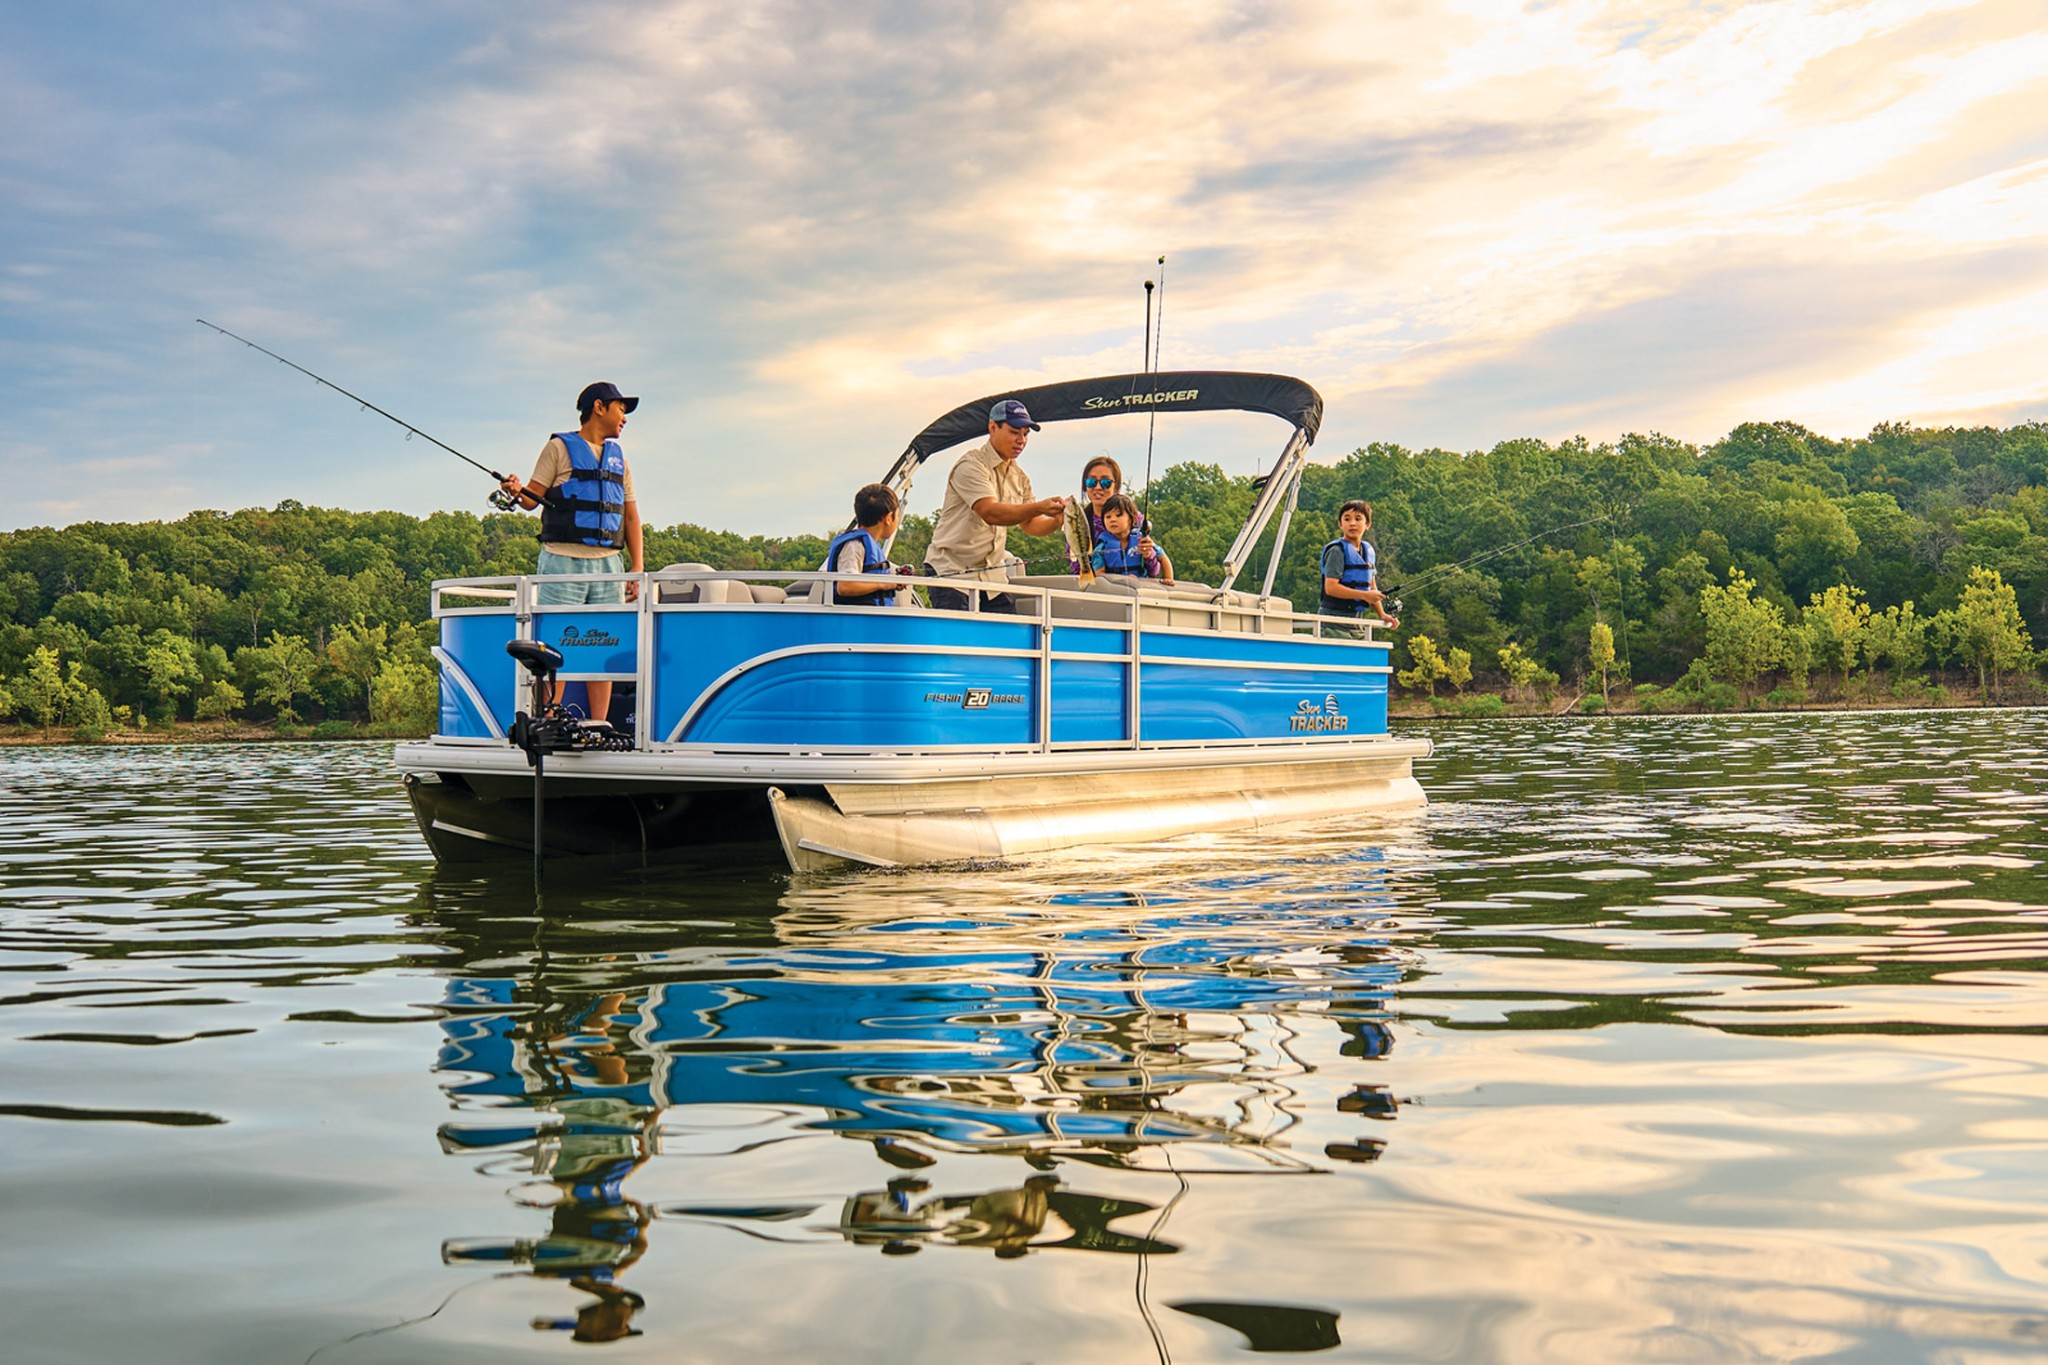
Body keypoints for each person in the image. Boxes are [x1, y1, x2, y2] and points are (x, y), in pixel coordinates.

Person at [499, 382, 646, 723]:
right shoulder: (558, 448)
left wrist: (636, 567)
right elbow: (531, 499)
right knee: (556, 644)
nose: (624, 417)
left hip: (609, 566)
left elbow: (631, 517)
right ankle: (549, 719)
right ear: (599, 407)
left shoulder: (619, 460)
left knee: (604, 648)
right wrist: (516, 491)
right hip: (562, 562)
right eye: (621, 409)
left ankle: (599, 725)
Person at [921, 399, 1067, 613]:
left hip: (992, 576)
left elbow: (1031, 524)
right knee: (959, 635)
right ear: (992, 427)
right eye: (1014, 432)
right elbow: (990, 512)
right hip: (952, 573)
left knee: (1010, 632)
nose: (1021, 440)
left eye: (1025, 434)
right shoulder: (971, 465)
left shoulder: (1020, 476)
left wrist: (1058, 519)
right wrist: (1040, 507)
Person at [823, 484, 913, 606]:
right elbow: (845, 586)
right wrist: (885, 584)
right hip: (857, 616)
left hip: (873, 615)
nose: (897, 521)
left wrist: (895, 580)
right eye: (897, 516)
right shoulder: (854, 546)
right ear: (888, 518)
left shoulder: (868, 545)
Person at [1319, 499, 1398, 631]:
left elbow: (1371, 587)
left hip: (1356, 621)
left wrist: (1382, 614)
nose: (1352, 523)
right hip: (1333, 621)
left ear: (1367, 524)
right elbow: (1331, 588)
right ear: (1340, 524)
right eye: (1347, 519)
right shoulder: (1336, 551)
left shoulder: (1368, 551)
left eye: (1358, 519)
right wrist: (1364, 595)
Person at [1092, 494, 1172, 582]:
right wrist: (1122, 580)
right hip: (1115, 587)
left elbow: (1163, 558)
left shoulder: (1142, 539)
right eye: (1108, 517)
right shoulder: (1102, 546)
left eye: (1118, 515)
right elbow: (1099, 575)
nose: (1112, 520)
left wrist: (1168, 579)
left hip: (1142, 585)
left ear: (1131, 519)